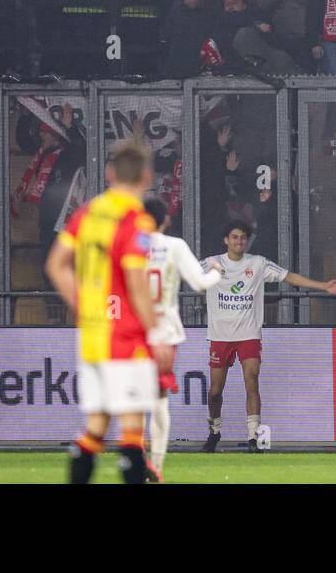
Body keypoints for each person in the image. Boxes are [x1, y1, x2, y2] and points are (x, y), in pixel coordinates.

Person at [44, 141, 159, 484]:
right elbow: (137, 286)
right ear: (147, 176)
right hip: (125, 337)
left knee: (95, 427)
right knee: (132, 431)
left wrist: (83, 307)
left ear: (110, 174)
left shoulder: (87, 213)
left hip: (93, 336)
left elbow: (56, 265)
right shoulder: (135, 221)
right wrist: (157, 334)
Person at [199, 221, 336, 453]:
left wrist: (323, 286)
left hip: (248, 334)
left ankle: (252, 437)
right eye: (234, 237)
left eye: (243, 238)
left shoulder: (257, 263)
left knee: (252, 379)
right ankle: (214, 431)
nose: (239, 241)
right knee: (215, 390)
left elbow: (289, 277)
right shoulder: (212, 263)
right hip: (220, 336)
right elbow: (187, 273)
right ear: (226, 240)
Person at [140, 198, 222, 482]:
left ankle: (135, 457)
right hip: (163, 332)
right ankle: (157, 467)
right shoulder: (173, 246)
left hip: (133, 332)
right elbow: (199, 284)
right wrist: (215, 272)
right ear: (165, 220)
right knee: (159, 400)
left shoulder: (125, 245)